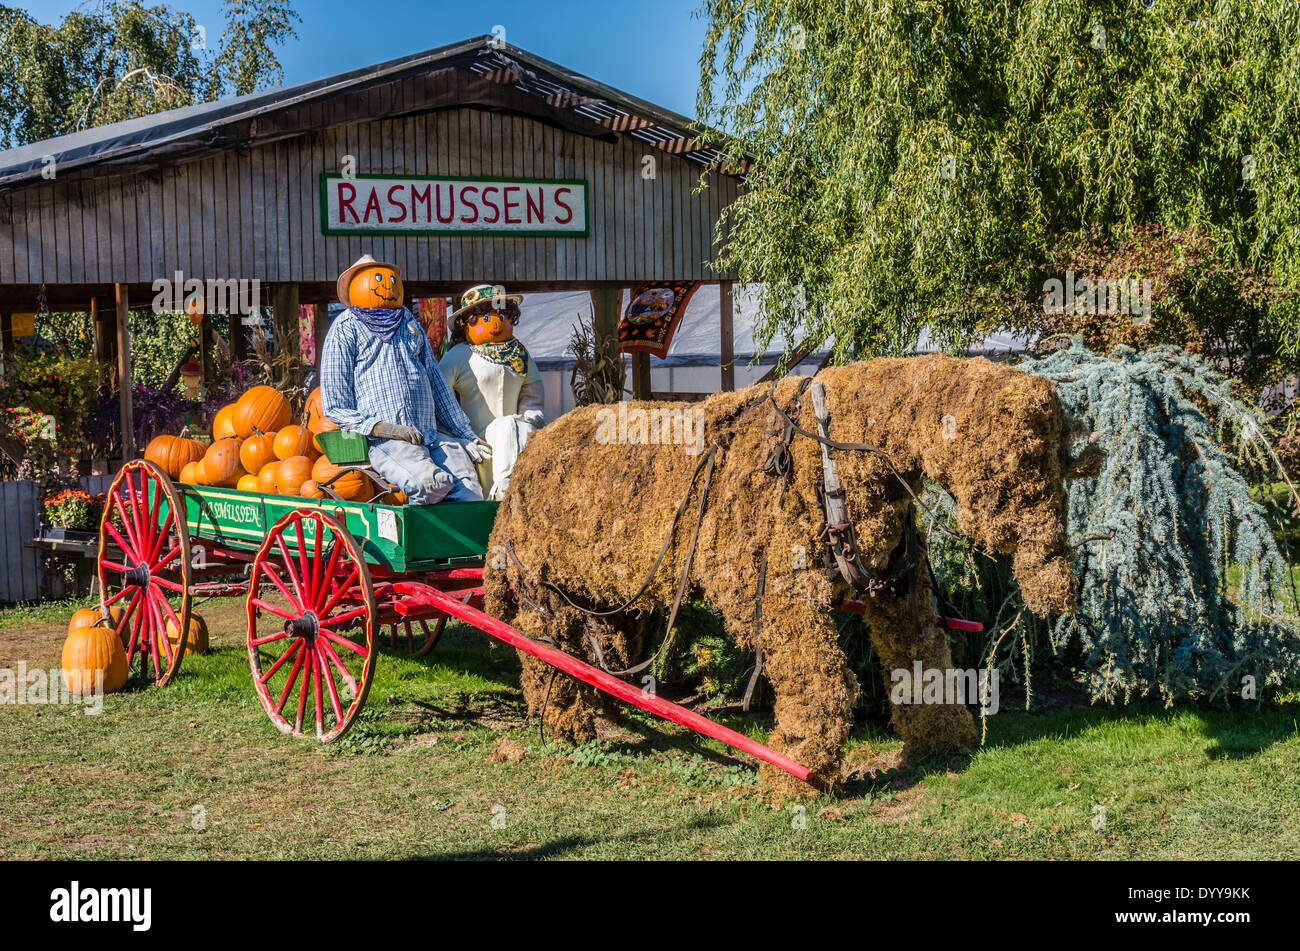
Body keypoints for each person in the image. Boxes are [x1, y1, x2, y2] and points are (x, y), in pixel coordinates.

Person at [320, 254, 491, 504]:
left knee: (470, 494)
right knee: (430, 484)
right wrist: (383, 428)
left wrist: (464, 433)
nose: (388, 284)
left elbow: (436, 384)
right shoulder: (345, 327)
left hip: (428, 434)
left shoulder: (409, 323)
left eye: (392, 278)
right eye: (377, 278)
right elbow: (335, 405)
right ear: (357, 285)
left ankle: (452, 542)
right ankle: (417, 539)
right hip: (384, 441)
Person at [438, 284, 544, 500]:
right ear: (466, 323)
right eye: (485, 318)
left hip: (517, 439)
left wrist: (529, 419)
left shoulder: (520, 354)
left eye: (502, 316)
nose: (495, 324)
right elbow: (438, 400)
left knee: (508, 426)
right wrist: (458, 438)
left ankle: (507, 487)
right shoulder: (458, 356)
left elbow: (532, 394)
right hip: (477, 445)